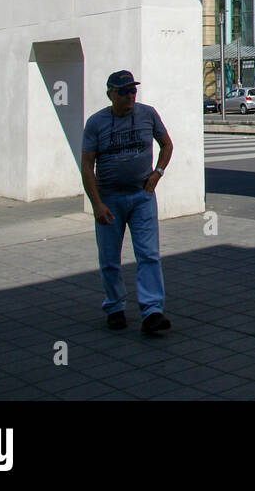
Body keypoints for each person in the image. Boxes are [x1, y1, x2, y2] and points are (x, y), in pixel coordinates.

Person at [81, 70, 173, 335]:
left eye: (133, 90)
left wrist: (158, 173)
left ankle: (152, 311)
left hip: (141, 197)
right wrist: (96, 203)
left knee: (148, 255)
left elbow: (167, 145)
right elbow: (87, 166)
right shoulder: (96, 123)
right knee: (110, 258)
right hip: (109, 199)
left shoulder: (148, 114)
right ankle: (114, 307)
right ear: (111, 94)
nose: (130, 96)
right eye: (123, 92)